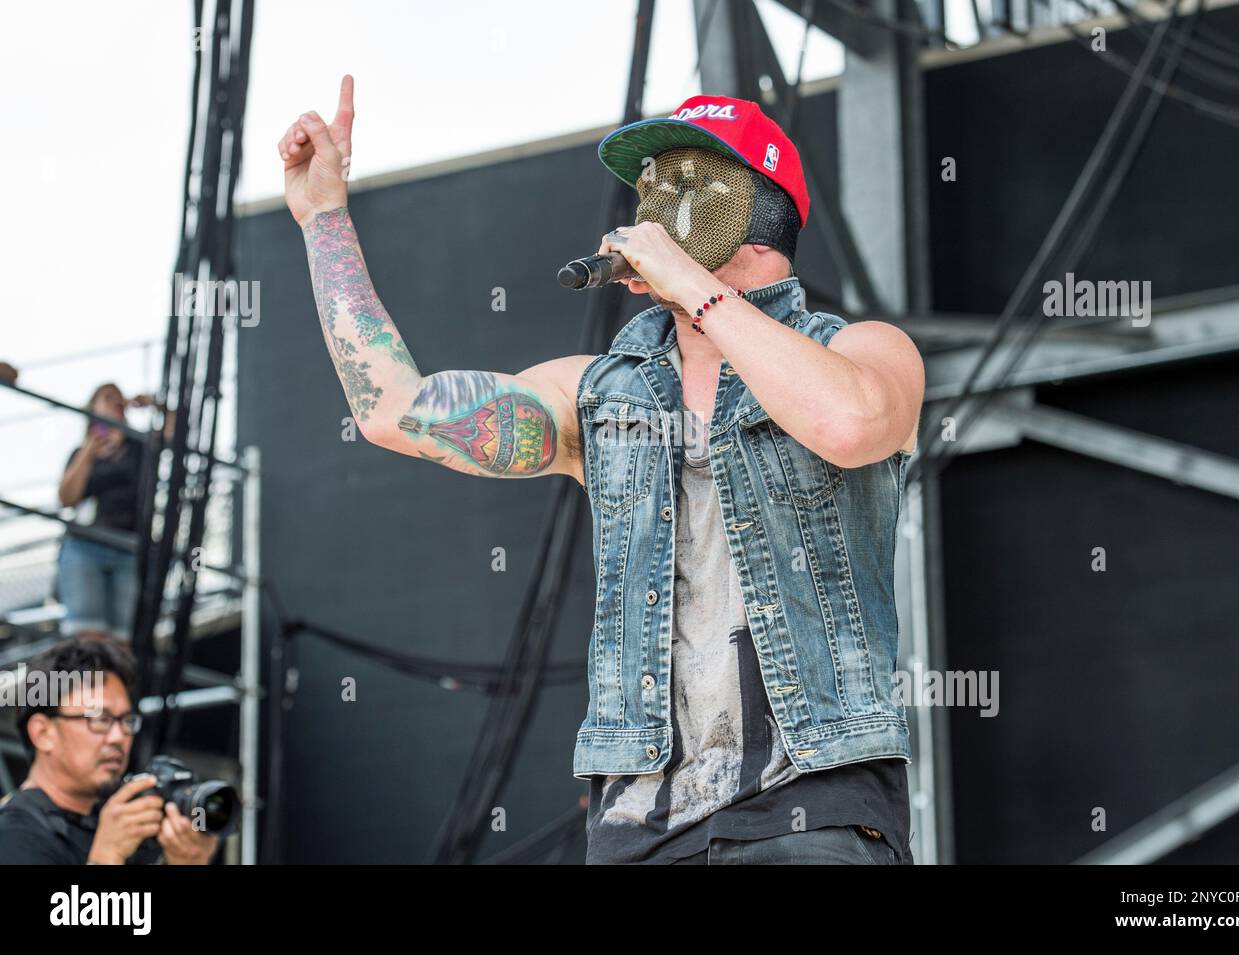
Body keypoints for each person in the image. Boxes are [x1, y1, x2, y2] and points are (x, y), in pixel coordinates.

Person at [278, 77, 925, 865]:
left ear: (751, 212)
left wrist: (694, 288)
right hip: (640, 823)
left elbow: (847, 423)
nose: (648, 203)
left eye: (680, 183)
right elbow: (395, 410)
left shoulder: (861, 350)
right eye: (644, 185)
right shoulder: (601, 391)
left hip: (810, 801)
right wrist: (324, 221)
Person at [0, 636, 220, 865]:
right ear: (43, 733)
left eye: (126, 720)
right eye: (100, 719)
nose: (118, 737)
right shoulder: (14, 834)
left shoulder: (121, 827)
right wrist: (106, 858)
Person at [55, 383, 159, 640]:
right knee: (89, 635)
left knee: (120, 639)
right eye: (107, 396)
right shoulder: (82, 453)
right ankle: (90, 681)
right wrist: (90, 449)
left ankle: (112, 680)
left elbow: (176, 435)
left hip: (128, 547)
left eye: (118, 397)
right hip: (87, 547)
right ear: (94, 407)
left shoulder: (139, 446)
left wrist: (156, 404)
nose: (115, 401)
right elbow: (67, 498)